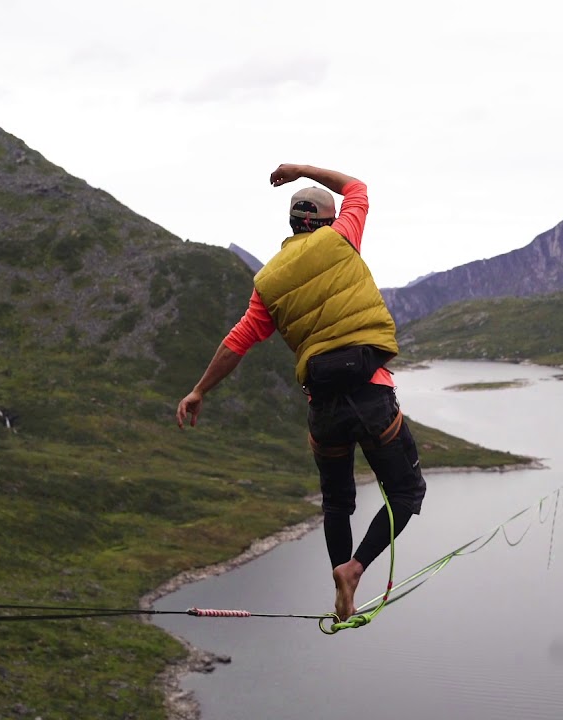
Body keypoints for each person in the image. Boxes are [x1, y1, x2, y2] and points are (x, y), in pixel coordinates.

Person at [175, 163, 427, 622]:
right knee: (407, 492)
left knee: (337, 503)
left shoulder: (269, 282)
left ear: (292, 224)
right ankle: (355, 568)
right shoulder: (342, 237)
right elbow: (357, 187)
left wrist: (198, 390)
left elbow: (237, 342)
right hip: (371, 395)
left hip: (323, 409)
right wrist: (298, 169)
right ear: (330, 220)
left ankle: (340, 572)